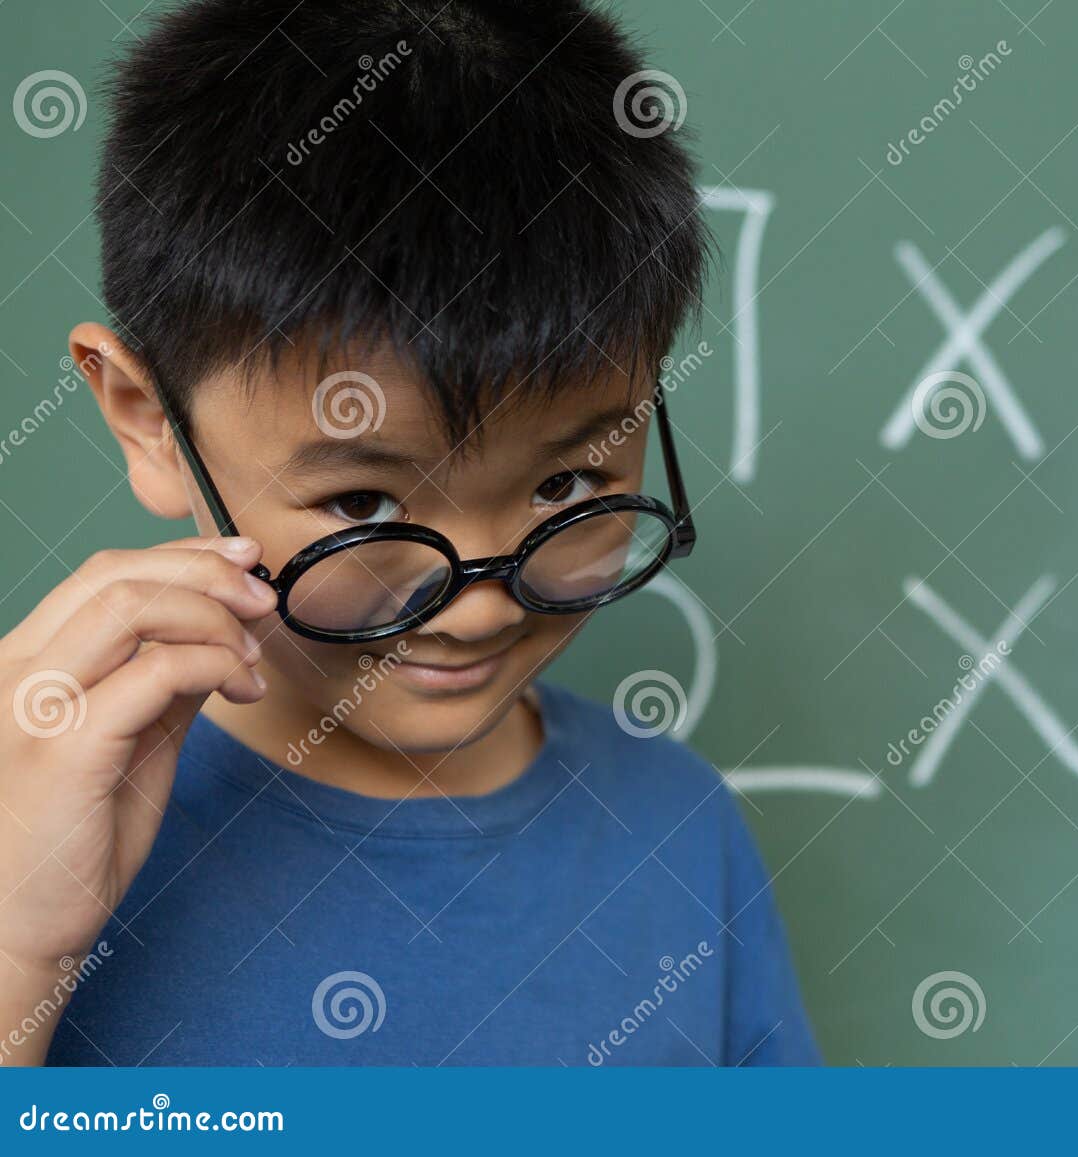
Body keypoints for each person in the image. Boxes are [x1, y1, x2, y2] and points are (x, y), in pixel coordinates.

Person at [0, 0, 818, 1066]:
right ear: (150, 420)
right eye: (361, 506)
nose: (479, 603)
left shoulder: (677, 832)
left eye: (568, 481)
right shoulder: (30, 824)